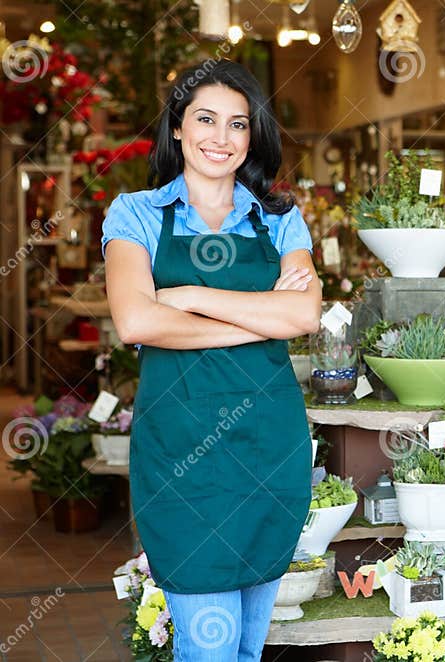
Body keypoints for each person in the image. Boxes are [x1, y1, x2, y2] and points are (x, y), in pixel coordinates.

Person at [103, 59, 320, 660]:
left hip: (268, 450)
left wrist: (192, 298)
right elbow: (137, 321)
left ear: (252, 136)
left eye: (238, 125)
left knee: (246, 654)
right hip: (182, 461)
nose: (220, 138)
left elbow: (302, 318)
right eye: (205, 120)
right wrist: (256, 318)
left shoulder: (279, 218)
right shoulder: (136, 214)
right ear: (176, 127)